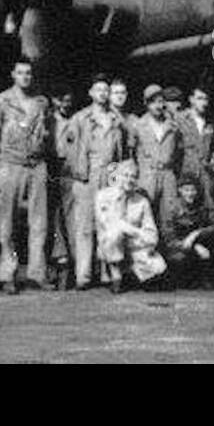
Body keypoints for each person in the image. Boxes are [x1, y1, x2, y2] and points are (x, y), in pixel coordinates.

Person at [0, 58, 54, 294]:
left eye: (29, 73)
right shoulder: (1, 101)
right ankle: (8, 273)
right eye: (21, 73)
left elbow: (49, 133)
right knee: (8, 222)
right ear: (13, 74)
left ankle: (37, 273)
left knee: (40, 221)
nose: (25, 77)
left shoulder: (42, 102)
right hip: (11, 163)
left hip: (36, 164)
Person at [62, 73, 130, 291]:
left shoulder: (116, 120)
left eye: (105, 90)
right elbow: (70, 150)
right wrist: (79, 174)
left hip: (109, 174)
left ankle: (107, 274)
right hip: (87, 174)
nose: (102, 94)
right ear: (91, 93)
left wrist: (117, 178)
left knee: (108, 224)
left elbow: (121, 153)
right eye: (98, 90)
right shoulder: (80, 118)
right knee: (84, 226)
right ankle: (83, 275)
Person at [95, 160, 167, 293]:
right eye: (126, 175)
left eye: (133, 176)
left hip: (133, 245)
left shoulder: (142, 201)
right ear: (118, 177)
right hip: (110, 246)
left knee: (159, 267)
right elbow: (109, 223)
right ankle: (116, 275)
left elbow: (152, 235)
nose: (129, 180)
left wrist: (137, 236)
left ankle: (129, 275)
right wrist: (137, 232)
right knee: (114, 234)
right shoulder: (103, 196)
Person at [163, 175, 214, 289]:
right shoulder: (171, 208)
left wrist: (197, 233)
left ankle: (210, 278)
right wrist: (193, 246)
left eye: (193, 190)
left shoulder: (203, 204)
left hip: (200, 244)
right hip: (180, 249)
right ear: (180, 190)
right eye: (186, 190)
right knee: (180, 261)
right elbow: (169, 240)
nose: (190, 194)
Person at [134, 84, 183, 234]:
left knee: (169, 216)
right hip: (147, 176)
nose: (158, 105)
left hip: (168, 175)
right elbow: (130, 154)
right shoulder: (138, 125)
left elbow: (179, 153)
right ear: (146, 104)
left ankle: (170, 252)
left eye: (161, 101)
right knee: (145, 217)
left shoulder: (173, 126)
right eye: (153, 102)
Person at [48, 82, 75, 288]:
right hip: (51, 170)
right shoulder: (48, 121)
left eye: (67, 100)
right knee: (52, 217)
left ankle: (70, 260)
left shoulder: (76, 121)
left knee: (70, 216)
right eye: (60, 100)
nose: (64, 104)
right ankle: (58, 258)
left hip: (70, 170)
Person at [176, 85, 214, 209]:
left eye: (206, 99)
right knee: (184, 209)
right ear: (191, 99)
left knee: (207, 207)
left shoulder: (211, 122)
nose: (204, 103)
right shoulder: (180, 119)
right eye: (200, 98)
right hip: (186, 171)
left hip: (206, 173)